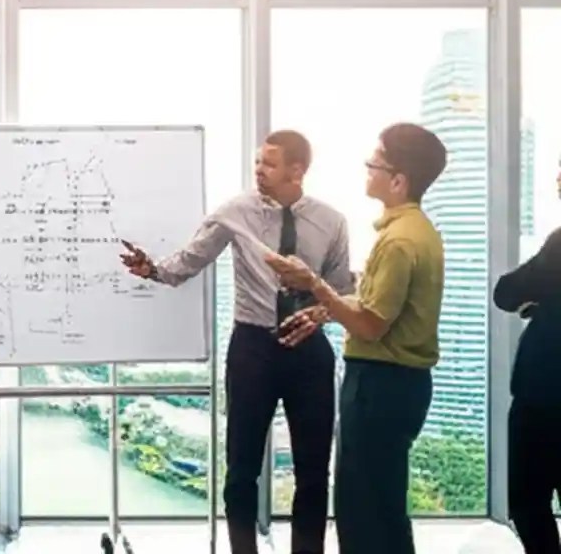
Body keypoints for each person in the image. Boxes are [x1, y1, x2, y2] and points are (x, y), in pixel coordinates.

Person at [120, 130, 352, 554]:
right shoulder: (234, 212)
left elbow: (338, 291)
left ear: (297, 170)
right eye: (258, 162)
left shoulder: (331, 221)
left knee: (315, 473)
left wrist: (327, 311)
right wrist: (151, 269)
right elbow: (187, 261)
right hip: (252, 350)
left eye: (269, 163)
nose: (259, 170)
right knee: (241, 470)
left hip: (310, 352)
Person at [266, 122, 447, 554]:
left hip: (379, 386)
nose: (368, 169)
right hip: (399, 385)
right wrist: (328, 309)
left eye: (375, 163)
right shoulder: (416, 231)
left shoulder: (400, 241)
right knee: (383, 508)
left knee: (361, 511)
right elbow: (377, 303)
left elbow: (369, 325)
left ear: (399, 180)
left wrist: (315, 284)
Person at [493, 160, 561, 553]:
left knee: (528, 500)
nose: (556, 179)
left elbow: (507, 292)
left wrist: (545, 298)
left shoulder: (560, 243)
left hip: (546, 401)